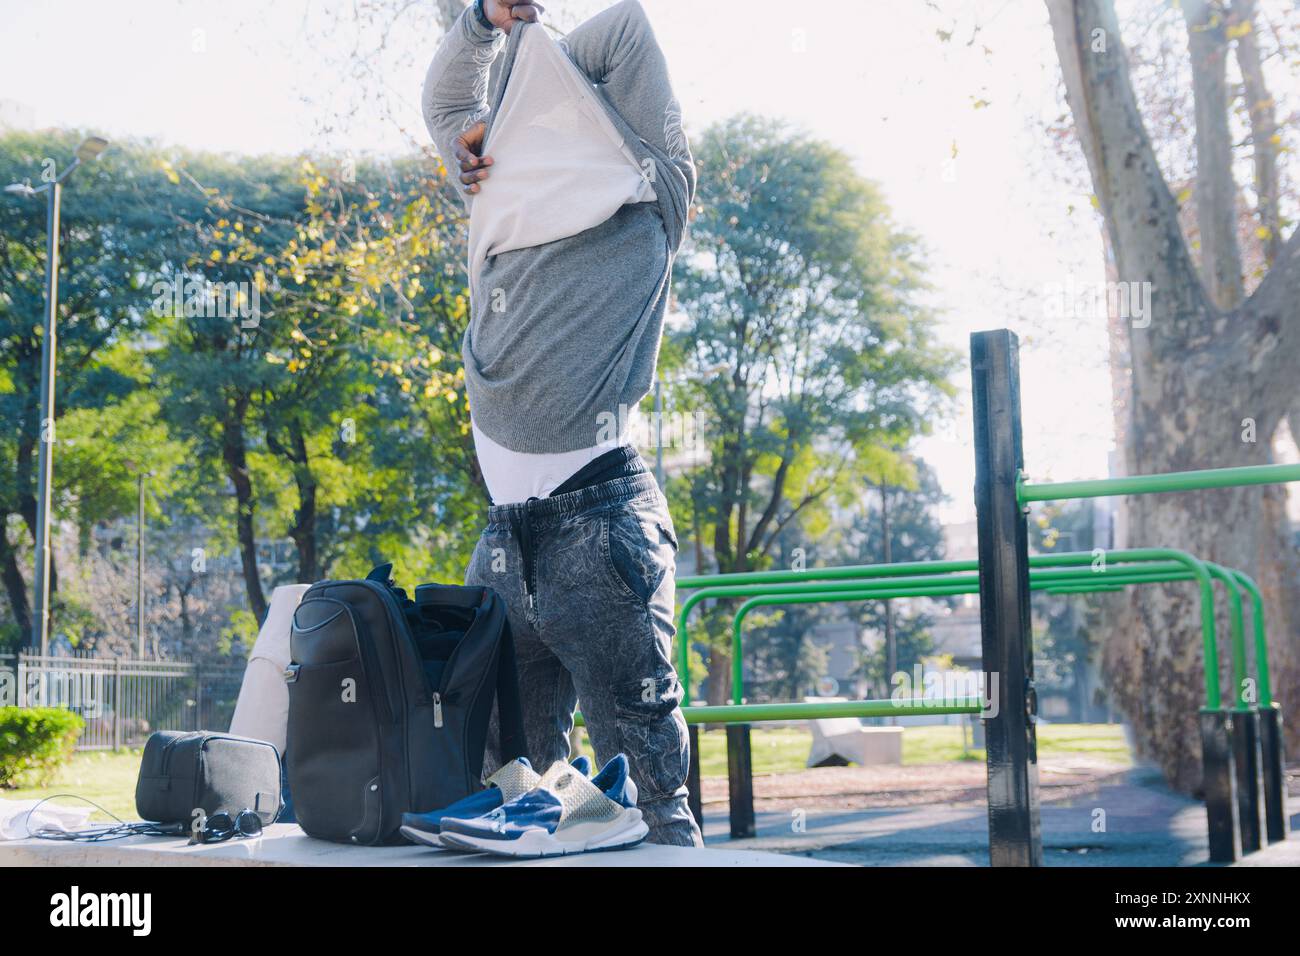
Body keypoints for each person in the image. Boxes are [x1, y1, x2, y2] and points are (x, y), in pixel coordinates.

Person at [421, 0, 701, 846]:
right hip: (505, 539)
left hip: (600, 532)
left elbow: (626, 29)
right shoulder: (497, 173)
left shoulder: (655, 186)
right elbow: (444, 107)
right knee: (523, 793)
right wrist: (479, 23)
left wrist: (527, 33)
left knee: (648, 804)